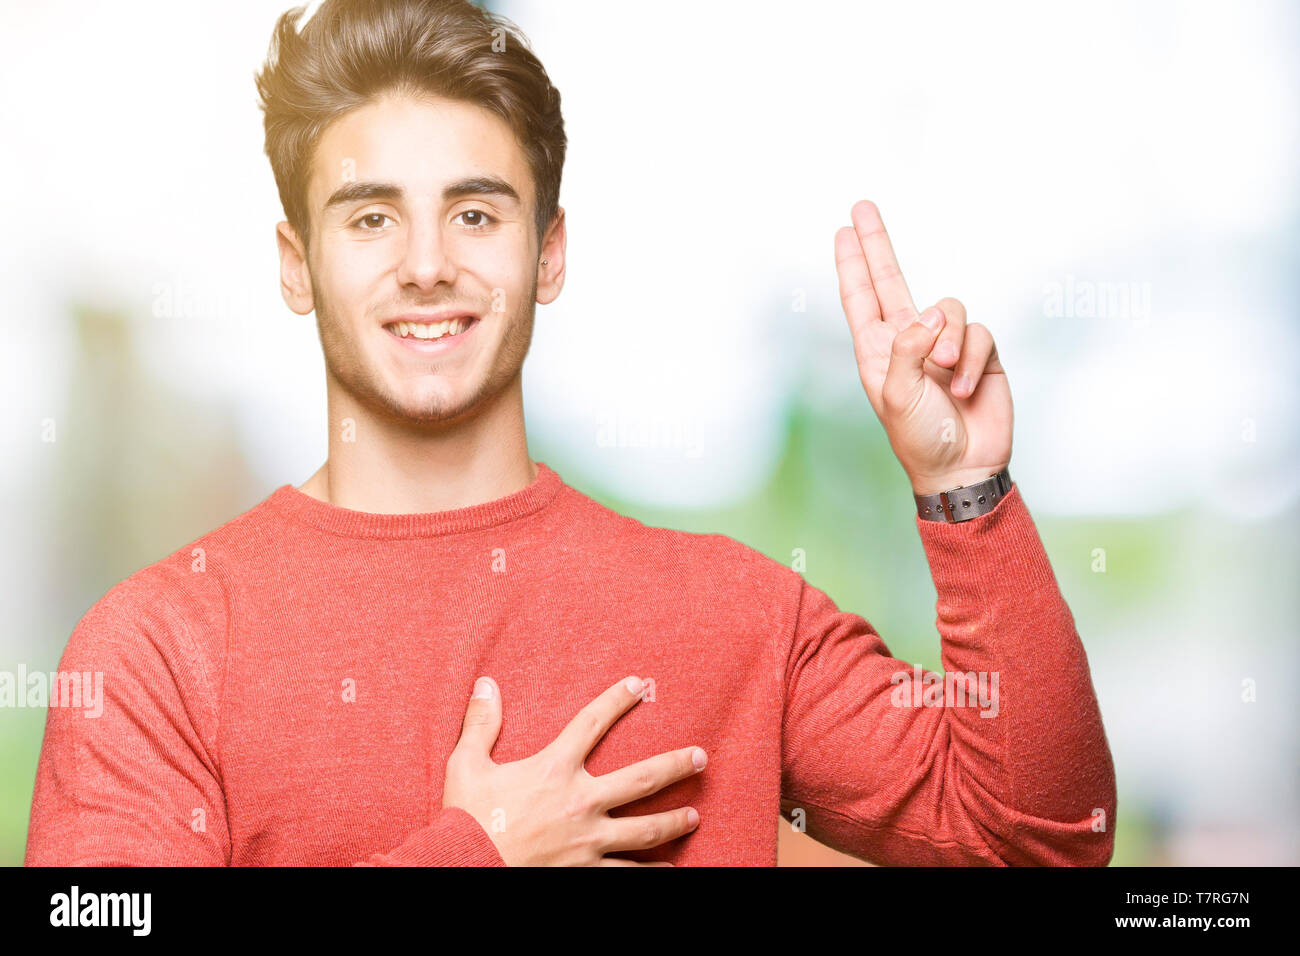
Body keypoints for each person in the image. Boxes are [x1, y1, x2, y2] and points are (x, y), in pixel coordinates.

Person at [24, 0, 1116, 867]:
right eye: (369, 217)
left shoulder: (731, 612)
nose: (424, 262)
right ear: (294, 263)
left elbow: (1036, 833)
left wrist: (965, 489)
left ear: (547, 254)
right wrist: (480, 853)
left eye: (475, 211)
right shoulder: (154, 651)